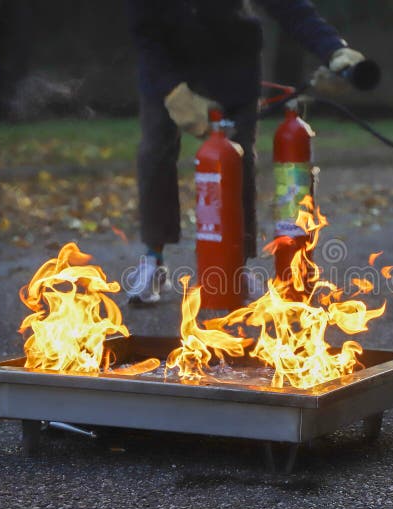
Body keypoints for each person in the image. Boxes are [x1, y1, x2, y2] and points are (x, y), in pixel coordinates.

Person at [124, 0, 365, 304]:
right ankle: (153, 259)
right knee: (154, 151)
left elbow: (289, 7)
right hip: (167, 65)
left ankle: (237, 265)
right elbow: (144, 32)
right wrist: (173, 93)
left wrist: (333, 50)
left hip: (233, 63)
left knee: (238, 161)